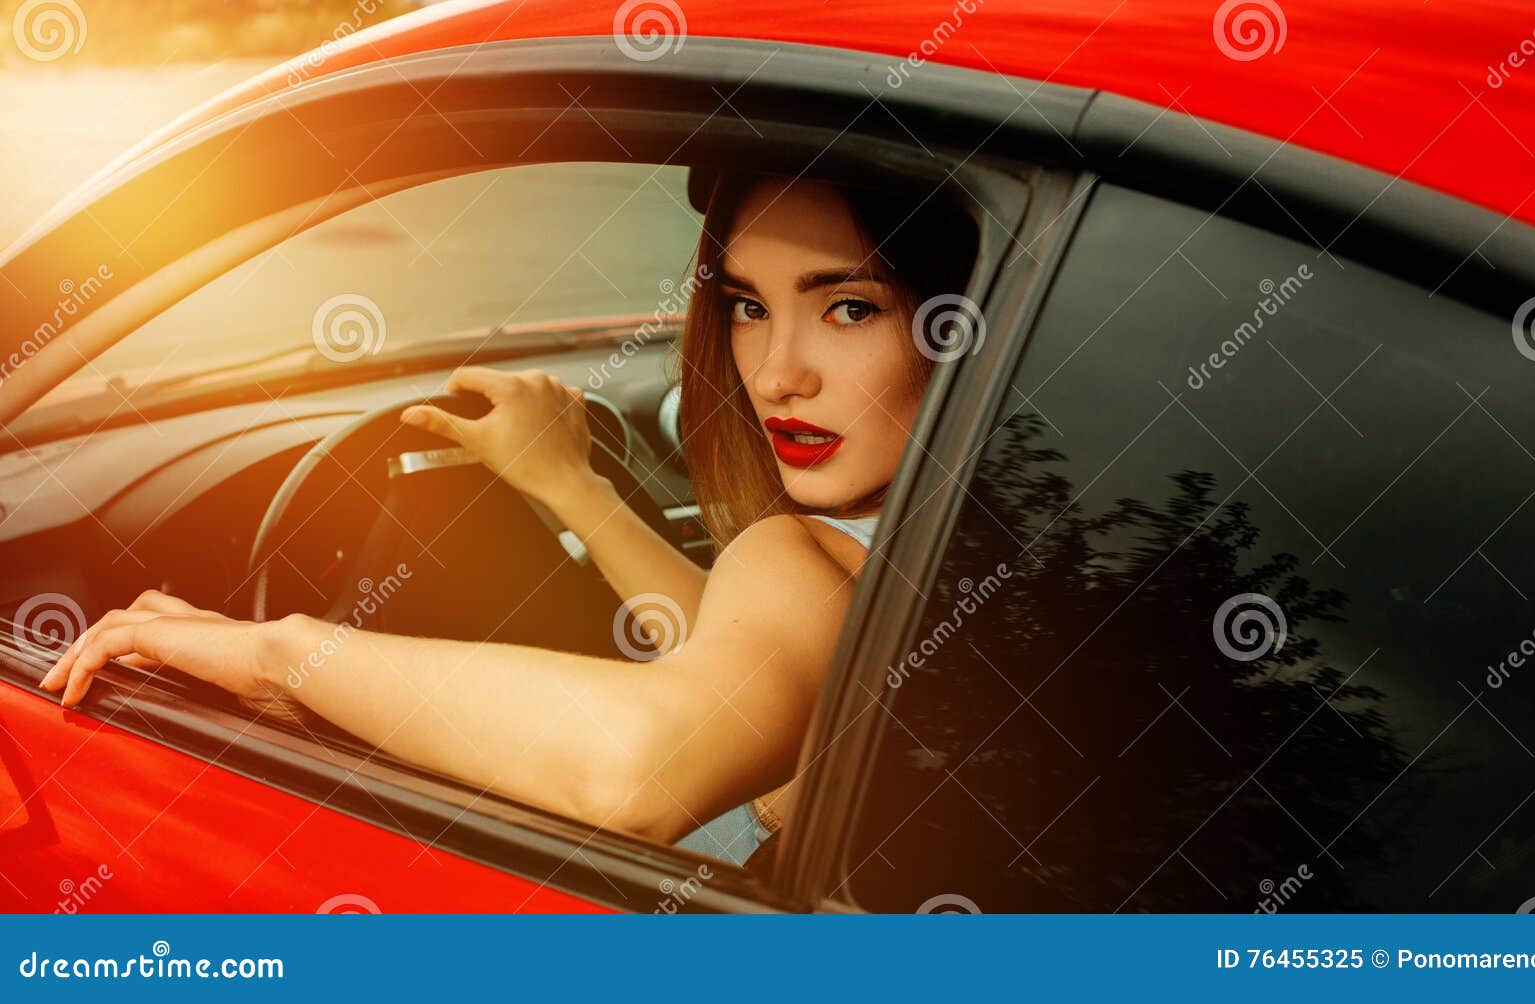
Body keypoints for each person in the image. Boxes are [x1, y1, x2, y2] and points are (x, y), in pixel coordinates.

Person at [42, 172, 976, 866]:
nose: (776, 374)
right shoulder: (971, 545)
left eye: (850, 307)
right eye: (745, 307)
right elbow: (760, 662)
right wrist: (573, 488)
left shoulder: (799, 553)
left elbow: (634, 773)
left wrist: (277, 651)